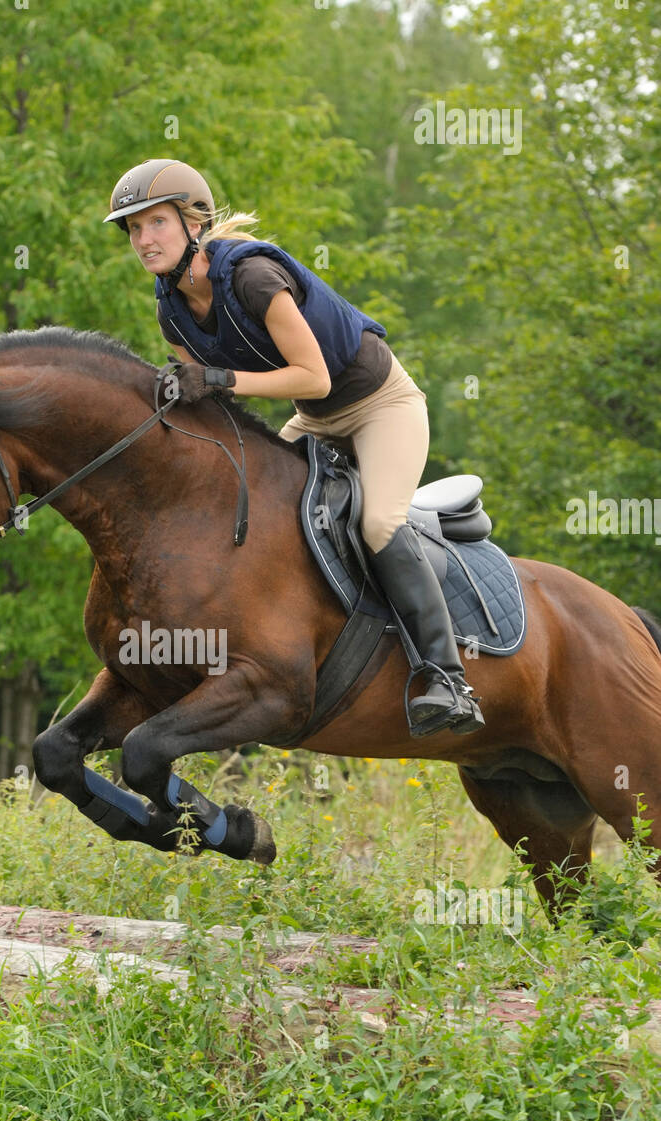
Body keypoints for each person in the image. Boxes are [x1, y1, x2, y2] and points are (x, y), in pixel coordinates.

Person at [103, 158, 484, 737]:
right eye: (133, 229)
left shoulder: (253, 278)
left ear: (194, 223)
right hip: (315, 422)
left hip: (381, 407)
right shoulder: (171, 307)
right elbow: (212, 404)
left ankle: (448, 678)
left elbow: (314, 378)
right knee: (259, 516)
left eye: (155, 223)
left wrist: (220, 380)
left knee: (379, 523)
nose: (143, 240)